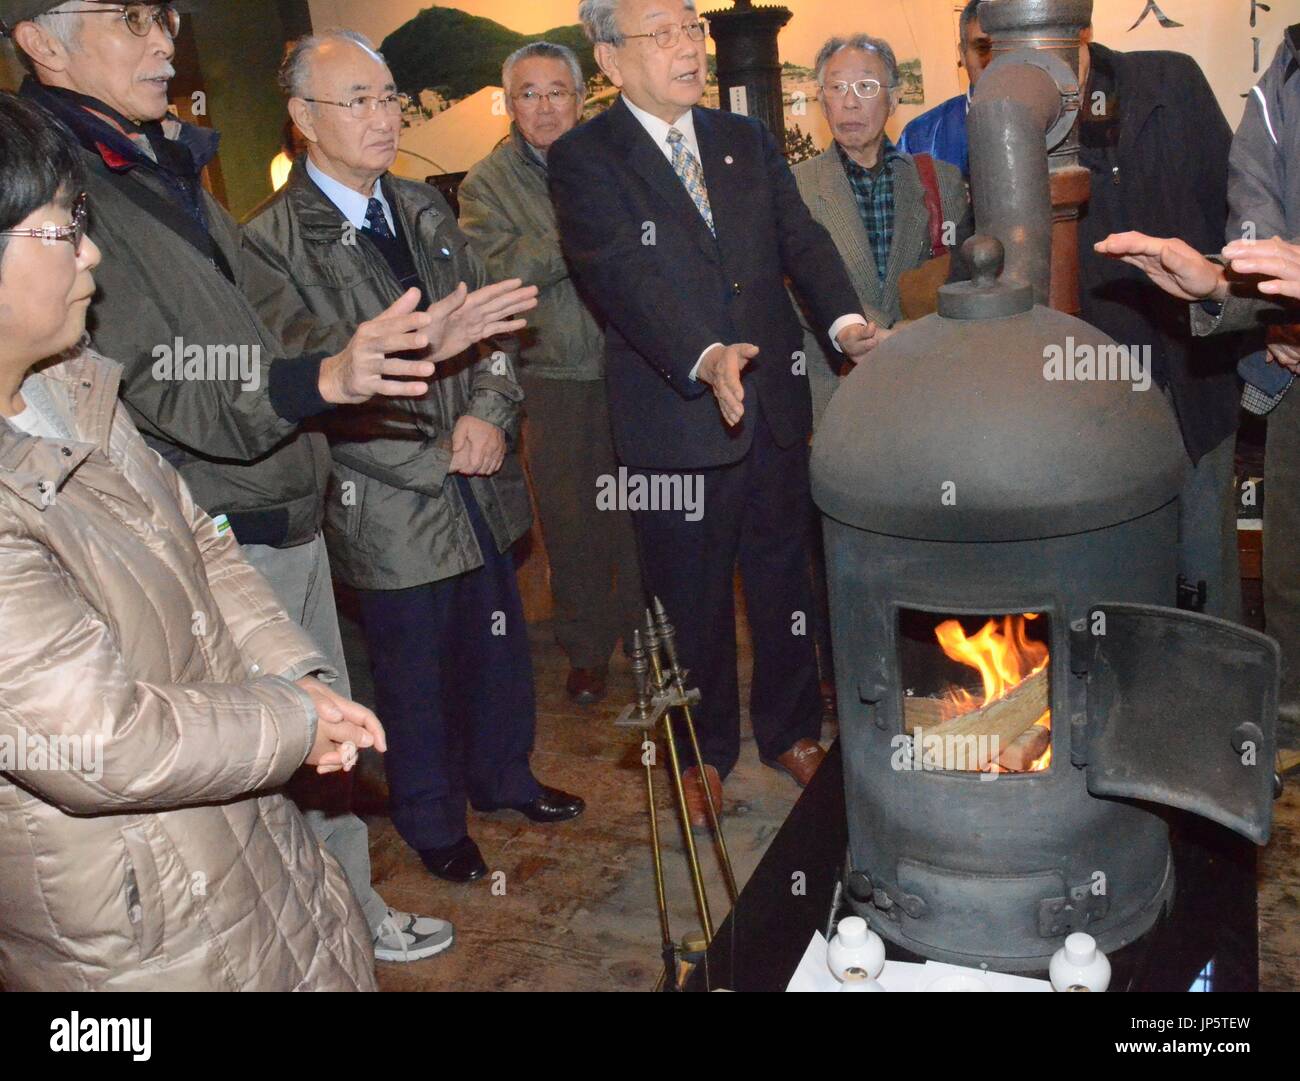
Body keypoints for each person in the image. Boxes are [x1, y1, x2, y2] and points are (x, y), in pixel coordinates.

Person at [1, 0, 524, 961]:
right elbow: (168, 374)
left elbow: (264, 329)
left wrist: (405, 349)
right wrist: (326, 378)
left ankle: (338, 922)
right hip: (240, 504)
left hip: (271, 505)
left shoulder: (152, 161)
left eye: (167, 17)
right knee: (247, 812)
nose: (165, 42)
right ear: (41, 39)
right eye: (130, 18)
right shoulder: (65, 174)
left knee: (301, 790)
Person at [0, 90, 381, 991]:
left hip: (231, 818)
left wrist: (292, 677)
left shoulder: (73, 386)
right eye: (62, 231)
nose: (92, 253)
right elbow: (101, 742)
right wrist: (287, 723)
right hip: (136, 915)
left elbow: (200, 540)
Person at [243, 30, 583, 885]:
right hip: (384, 490)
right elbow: (318, 374)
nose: (383, 116)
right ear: (302, 119)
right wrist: (433, 448)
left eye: (389, 97)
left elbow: (498, 325)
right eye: (357, 100)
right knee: (413, 672)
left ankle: (505, 778)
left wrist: (493, 413)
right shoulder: (271, 244)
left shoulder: (427, 207)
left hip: (475, 470)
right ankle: (432, 819)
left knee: (498, 646)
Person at [550, 0, 875, 828]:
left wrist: (844, 324)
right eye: (662, 34)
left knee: (782, 580)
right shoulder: (586, 158)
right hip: (677, 414)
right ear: (611, 59)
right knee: (687, 600)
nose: (688, 47)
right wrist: (703, 356)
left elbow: (799, 238)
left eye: (691, 27)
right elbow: (622, 276)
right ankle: (698, 754)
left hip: (771, 405)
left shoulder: (744, 140)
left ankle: (793, 730)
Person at [459, 41, 643, 706]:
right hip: (553, 373)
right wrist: (586, 230)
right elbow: (502, 275)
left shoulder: (620, 157)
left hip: (635, 364)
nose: (544, 106)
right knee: (572, 522)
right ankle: (587, 650)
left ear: (581, 96)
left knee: (641, 516)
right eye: (529, 94)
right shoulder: (486, 183)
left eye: (557, 91)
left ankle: (648, 644)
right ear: (510, 105)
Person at [1072, 29, 1248, 624]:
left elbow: (1235, 212)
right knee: (1119, 592)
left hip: (1191, 374)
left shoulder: (1167, 85)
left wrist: (1255, 312)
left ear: (1081, 31)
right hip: (1086, 399)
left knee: (1204, 580)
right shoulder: (1009, 127)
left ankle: (1216, 708)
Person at [794, 33, 969, 426]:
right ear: (822, 99)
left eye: (867, 87)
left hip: (923, 389)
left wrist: (914, 334)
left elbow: (961, 279)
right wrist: (878, 331)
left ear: (893, 99)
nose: (850, 101)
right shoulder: (794, 186)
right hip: (833, 395)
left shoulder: (939, 181)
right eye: (837, 87)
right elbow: (792, 287)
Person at [897, 0, 991, 177]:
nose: (995, 60)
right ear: (962, 55)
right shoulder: (920, 138)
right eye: (983, 48)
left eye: (1006, 48)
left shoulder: (1056, 127)